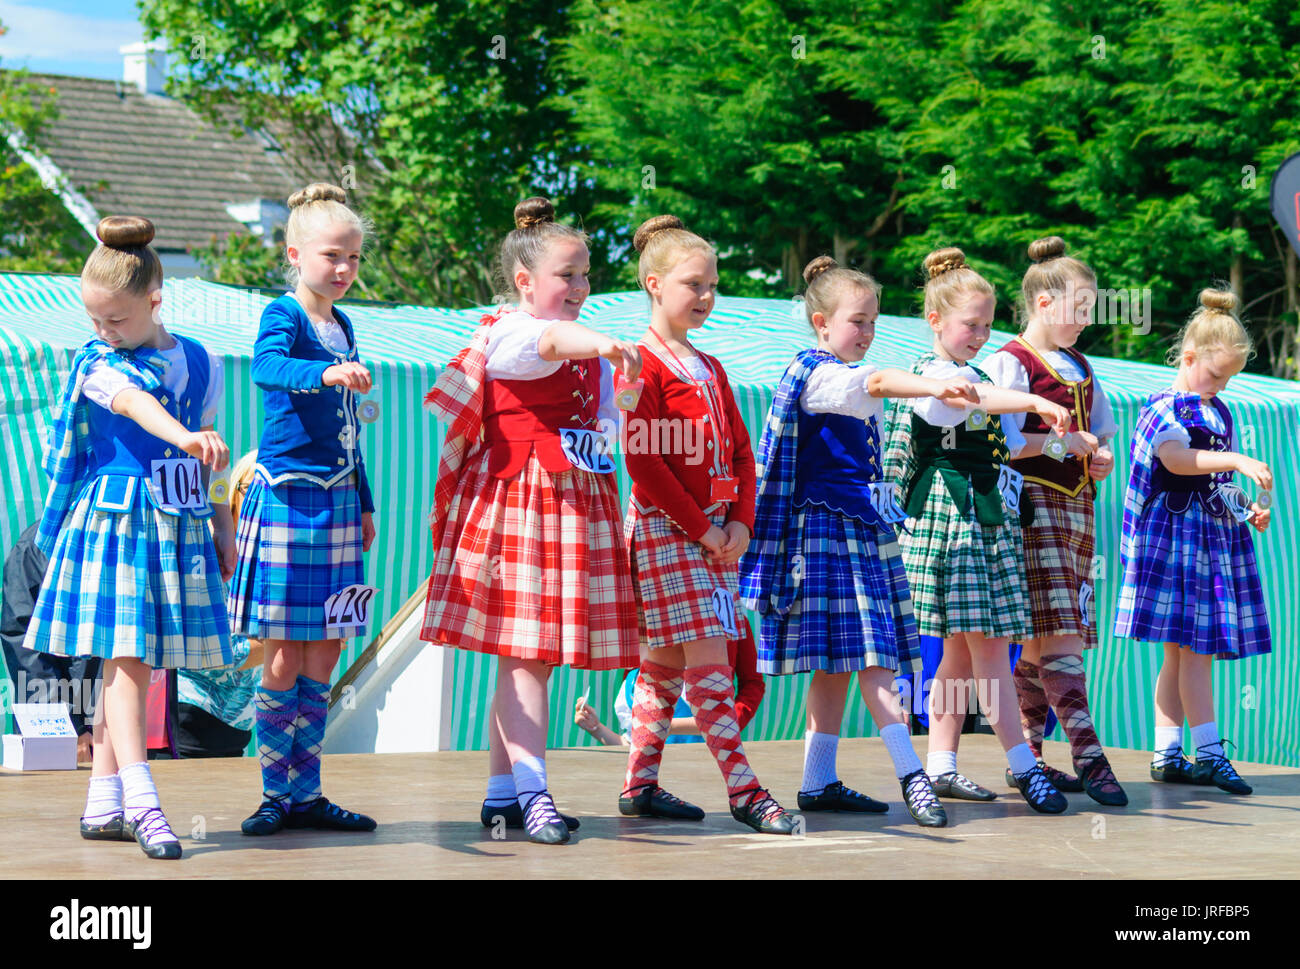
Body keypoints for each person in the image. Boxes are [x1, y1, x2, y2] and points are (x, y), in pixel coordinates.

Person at [421, 197, 642, 844]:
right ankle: (533, 790)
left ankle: (503, 795)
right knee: (527, 652)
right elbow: (551, 341)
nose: (579, 287)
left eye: (584, 274)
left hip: (568, 498)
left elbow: (604, 422)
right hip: (521, 497)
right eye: (565, 275)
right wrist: (601, 341)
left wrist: (617, 406)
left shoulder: (585, 345)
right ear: (525, 282)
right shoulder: (512, 331)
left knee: (528, 656)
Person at [741, 255, 984, 828]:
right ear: (822, 323)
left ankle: (817, 782)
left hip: (859, 530)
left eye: (874, 320)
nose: (868, 332)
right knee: (874, 658)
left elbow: (934, 399)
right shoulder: (819, 374)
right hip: (826, 534)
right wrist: (932, 383)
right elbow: (874, 383)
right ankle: (913, 776)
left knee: (837, 664)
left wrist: (1027, 404)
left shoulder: (846, 375)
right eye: (857, 320)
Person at [24, 215, 234, 859]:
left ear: (154, 300)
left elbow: (210, 453)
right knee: (127, 657)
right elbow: (134, 405)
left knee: (135, 659)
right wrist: (185, 436)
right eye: (94, 320)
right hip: (114, 517)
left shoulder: (202, 360)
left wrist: (222, 525)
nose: (103, 332)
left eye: (115, 319)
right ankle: (145, 801)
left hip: (177, 519)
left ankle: (103, 804)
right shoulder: (97, 362)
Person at [618, 215, 796, 835]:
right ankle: (745, 791)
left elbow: (744, 455)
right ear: (653, 283)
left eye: (713, 284)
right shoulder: (639, 364)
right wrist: (703, 528)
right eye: (693, 284)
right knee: (711, 664)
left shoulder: (712, 366)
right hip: (672, 532)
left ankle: (640, 783)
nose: (707, 296)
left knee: (663, 662)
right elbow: (642, 460)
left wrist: (742, 522)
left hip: (714, 535)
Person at [882, 247, 1072, 813]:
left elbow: (1009, 444)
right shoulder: (932, 377)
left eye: (989, 325)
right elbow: (968, 400)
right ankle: (1023, 765)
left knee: (962, 658)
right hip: (949, 521)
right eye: (972, 324)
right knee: (992, 651)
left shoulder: (977, 372)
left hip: (983, 518)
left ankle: (941, 765)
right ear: (936, 320)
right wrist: (1036, 396)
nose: (982, 335)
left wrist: (1069, 446)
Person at [228, 184, 378, 836]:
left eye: (352, 258)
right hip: (287, 494)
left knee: (327, 649)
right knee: (283, 654)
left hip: (340, 500)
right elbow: (267, 369)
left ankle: (308, 791)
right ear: (295, 253)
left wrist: (366, 499)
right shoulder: (282, 314)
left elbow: (351, 424)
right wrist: (323, 375)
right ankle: (273, 793)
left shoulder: (345, 324)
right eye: (331, 256)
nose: (343, 269)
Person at [983, 237, 1127, 806]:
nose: (1086, 322)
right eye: (1080, 308)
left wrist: (1100, 457)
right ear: (1044, 303)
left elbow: (1103, 438)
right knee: (1058, 632)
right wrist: (1068, 444)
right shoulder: (1009, 362)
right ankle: (1090, 755)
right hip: (1031, 510)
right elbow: (1002, 444)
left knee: (1045, 644)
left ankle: (1034, 758)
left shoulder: (1084, 367)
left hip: (1076, 512)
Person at [1114, 288, 1272, 795]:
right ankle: (1208, 754)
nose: (1222, 385)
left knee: (1182, 654)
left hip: (1207, 538)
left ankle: (1166, 753)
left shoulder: (1218, 412)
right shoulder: (1162, 410)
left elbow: (1212, 484)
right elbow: (1179, 462)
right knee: (1193, 650)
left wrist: (1245, 509)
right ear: (1188, 358)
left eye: (1229, 378)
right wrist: (1238, 460)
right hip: (1174, 541)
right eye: (1217, 374)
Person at [177, 450, 264, 758]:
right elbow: (213, 652)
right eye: (250, 487)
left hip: (236, 728)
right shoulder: (211, 550)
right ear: (234, 494)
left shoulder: (269, 560)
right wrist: (294, 639)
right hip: (193, 717)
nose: (260, 499)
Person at [2, 522, 101, 763]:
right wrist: (68, 727)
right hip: (81, 733)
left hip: (159, 734)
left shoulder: (149, 535)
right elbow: (24, 642)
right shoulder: (39, 544)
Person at [576, 626, 764, 746]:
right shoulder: (632, 685)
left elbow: (750, 685)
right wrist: (596, 728)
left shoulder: (700, 683)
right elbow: (630, 744)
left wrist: (731, 721)